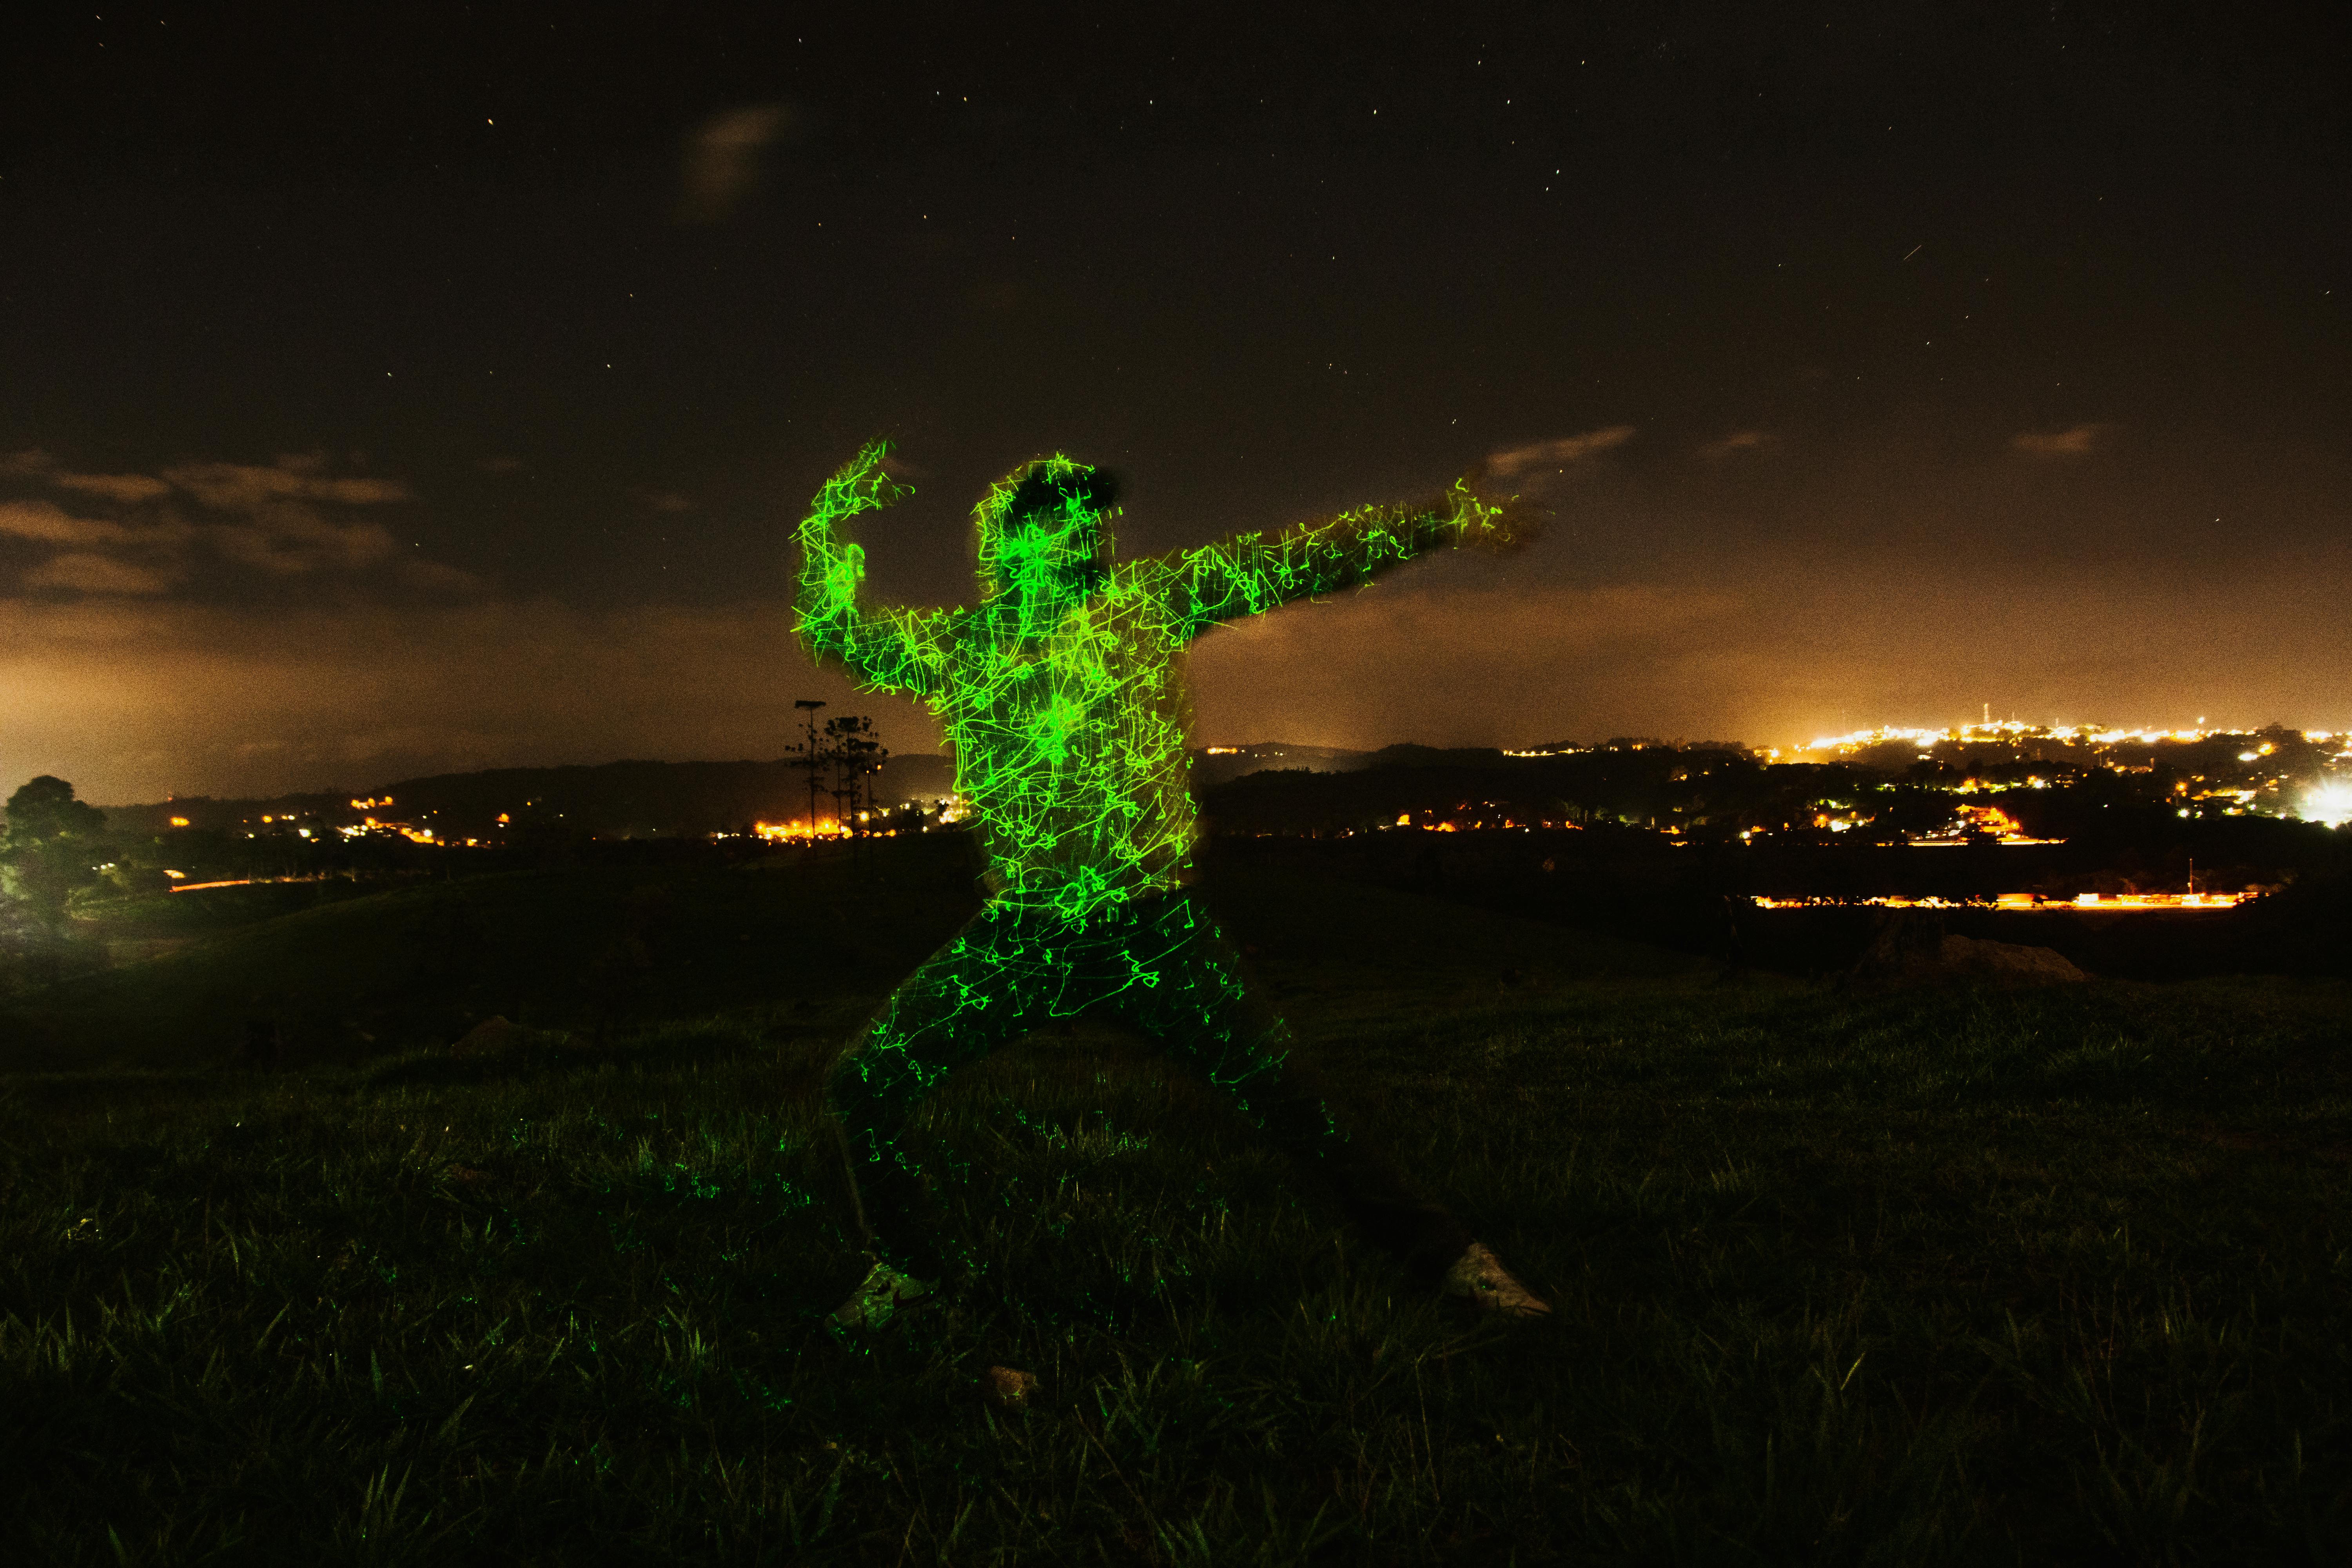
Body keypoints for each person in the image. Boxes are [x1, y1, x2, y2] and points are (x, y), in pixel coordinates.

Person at [795, 441, 1549, 1327]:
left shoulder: (1147, 603)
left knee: (1291, 1100)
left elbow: (1299, 559)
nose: (1086, 549)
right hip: (1027, 933)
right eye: (1062, 532)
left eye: (1093, 533)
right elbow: (839, 635)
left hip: (1152, 930)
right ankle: (911, 1270)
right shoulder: (964, 645)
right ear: (1013, 543)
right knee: (867, 1080)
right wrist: (827, 527)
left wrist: (1440, 520)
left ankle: (1452, 1260)